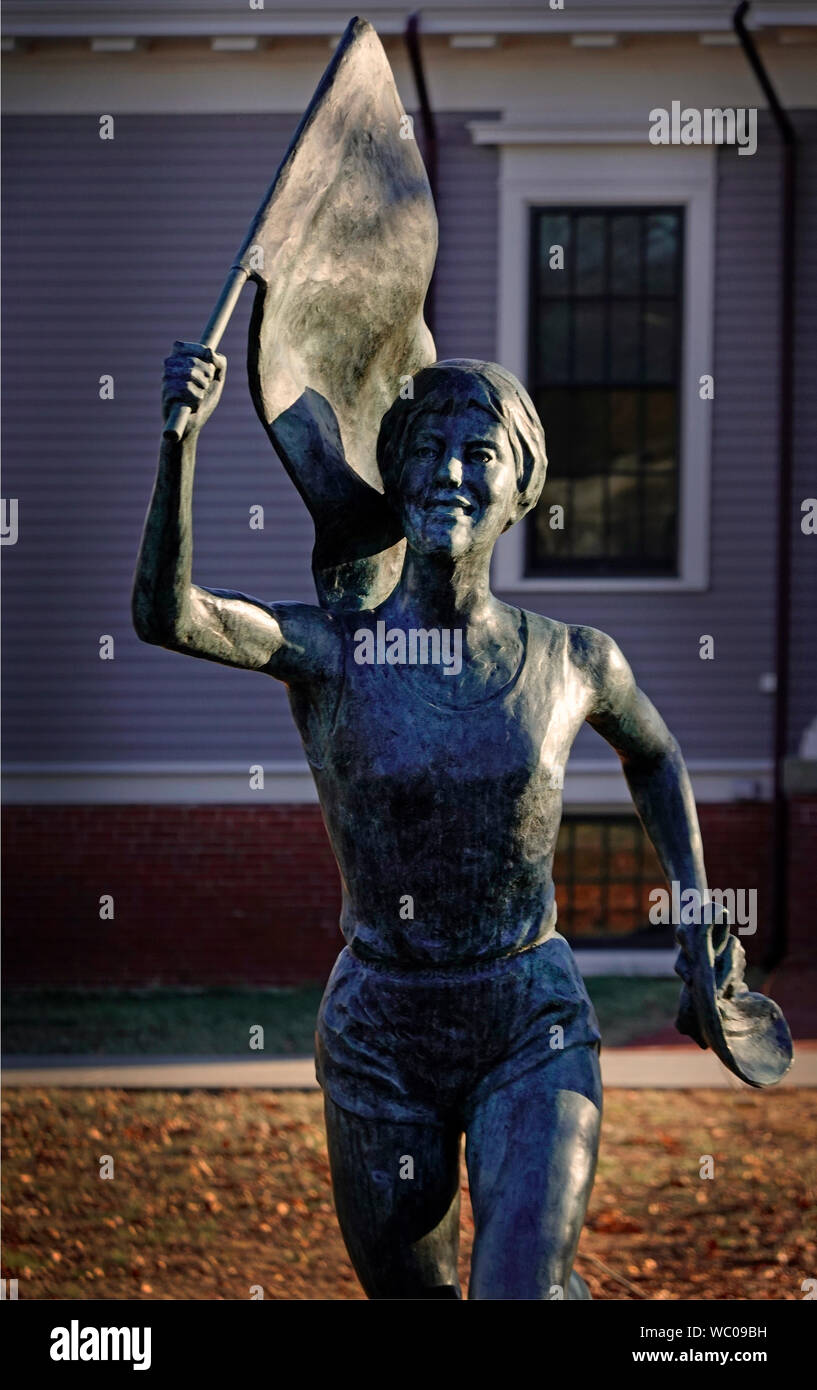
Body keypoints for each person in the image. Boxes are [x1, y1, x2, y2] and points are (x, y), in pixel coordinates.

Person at [133, 344, 736, 1300]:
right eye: (425, 449)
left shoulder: (577, 660)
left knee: (519, 1291)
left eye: (479, 453)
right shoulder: (331, 651)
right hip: (383, 1035)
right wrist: (181, 446)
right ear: (396, 472)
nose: (449, 473)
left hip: (527, 1021)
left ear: (520, 489)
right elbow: (169, 617)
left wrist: (698, 914)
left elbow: (654, 754)